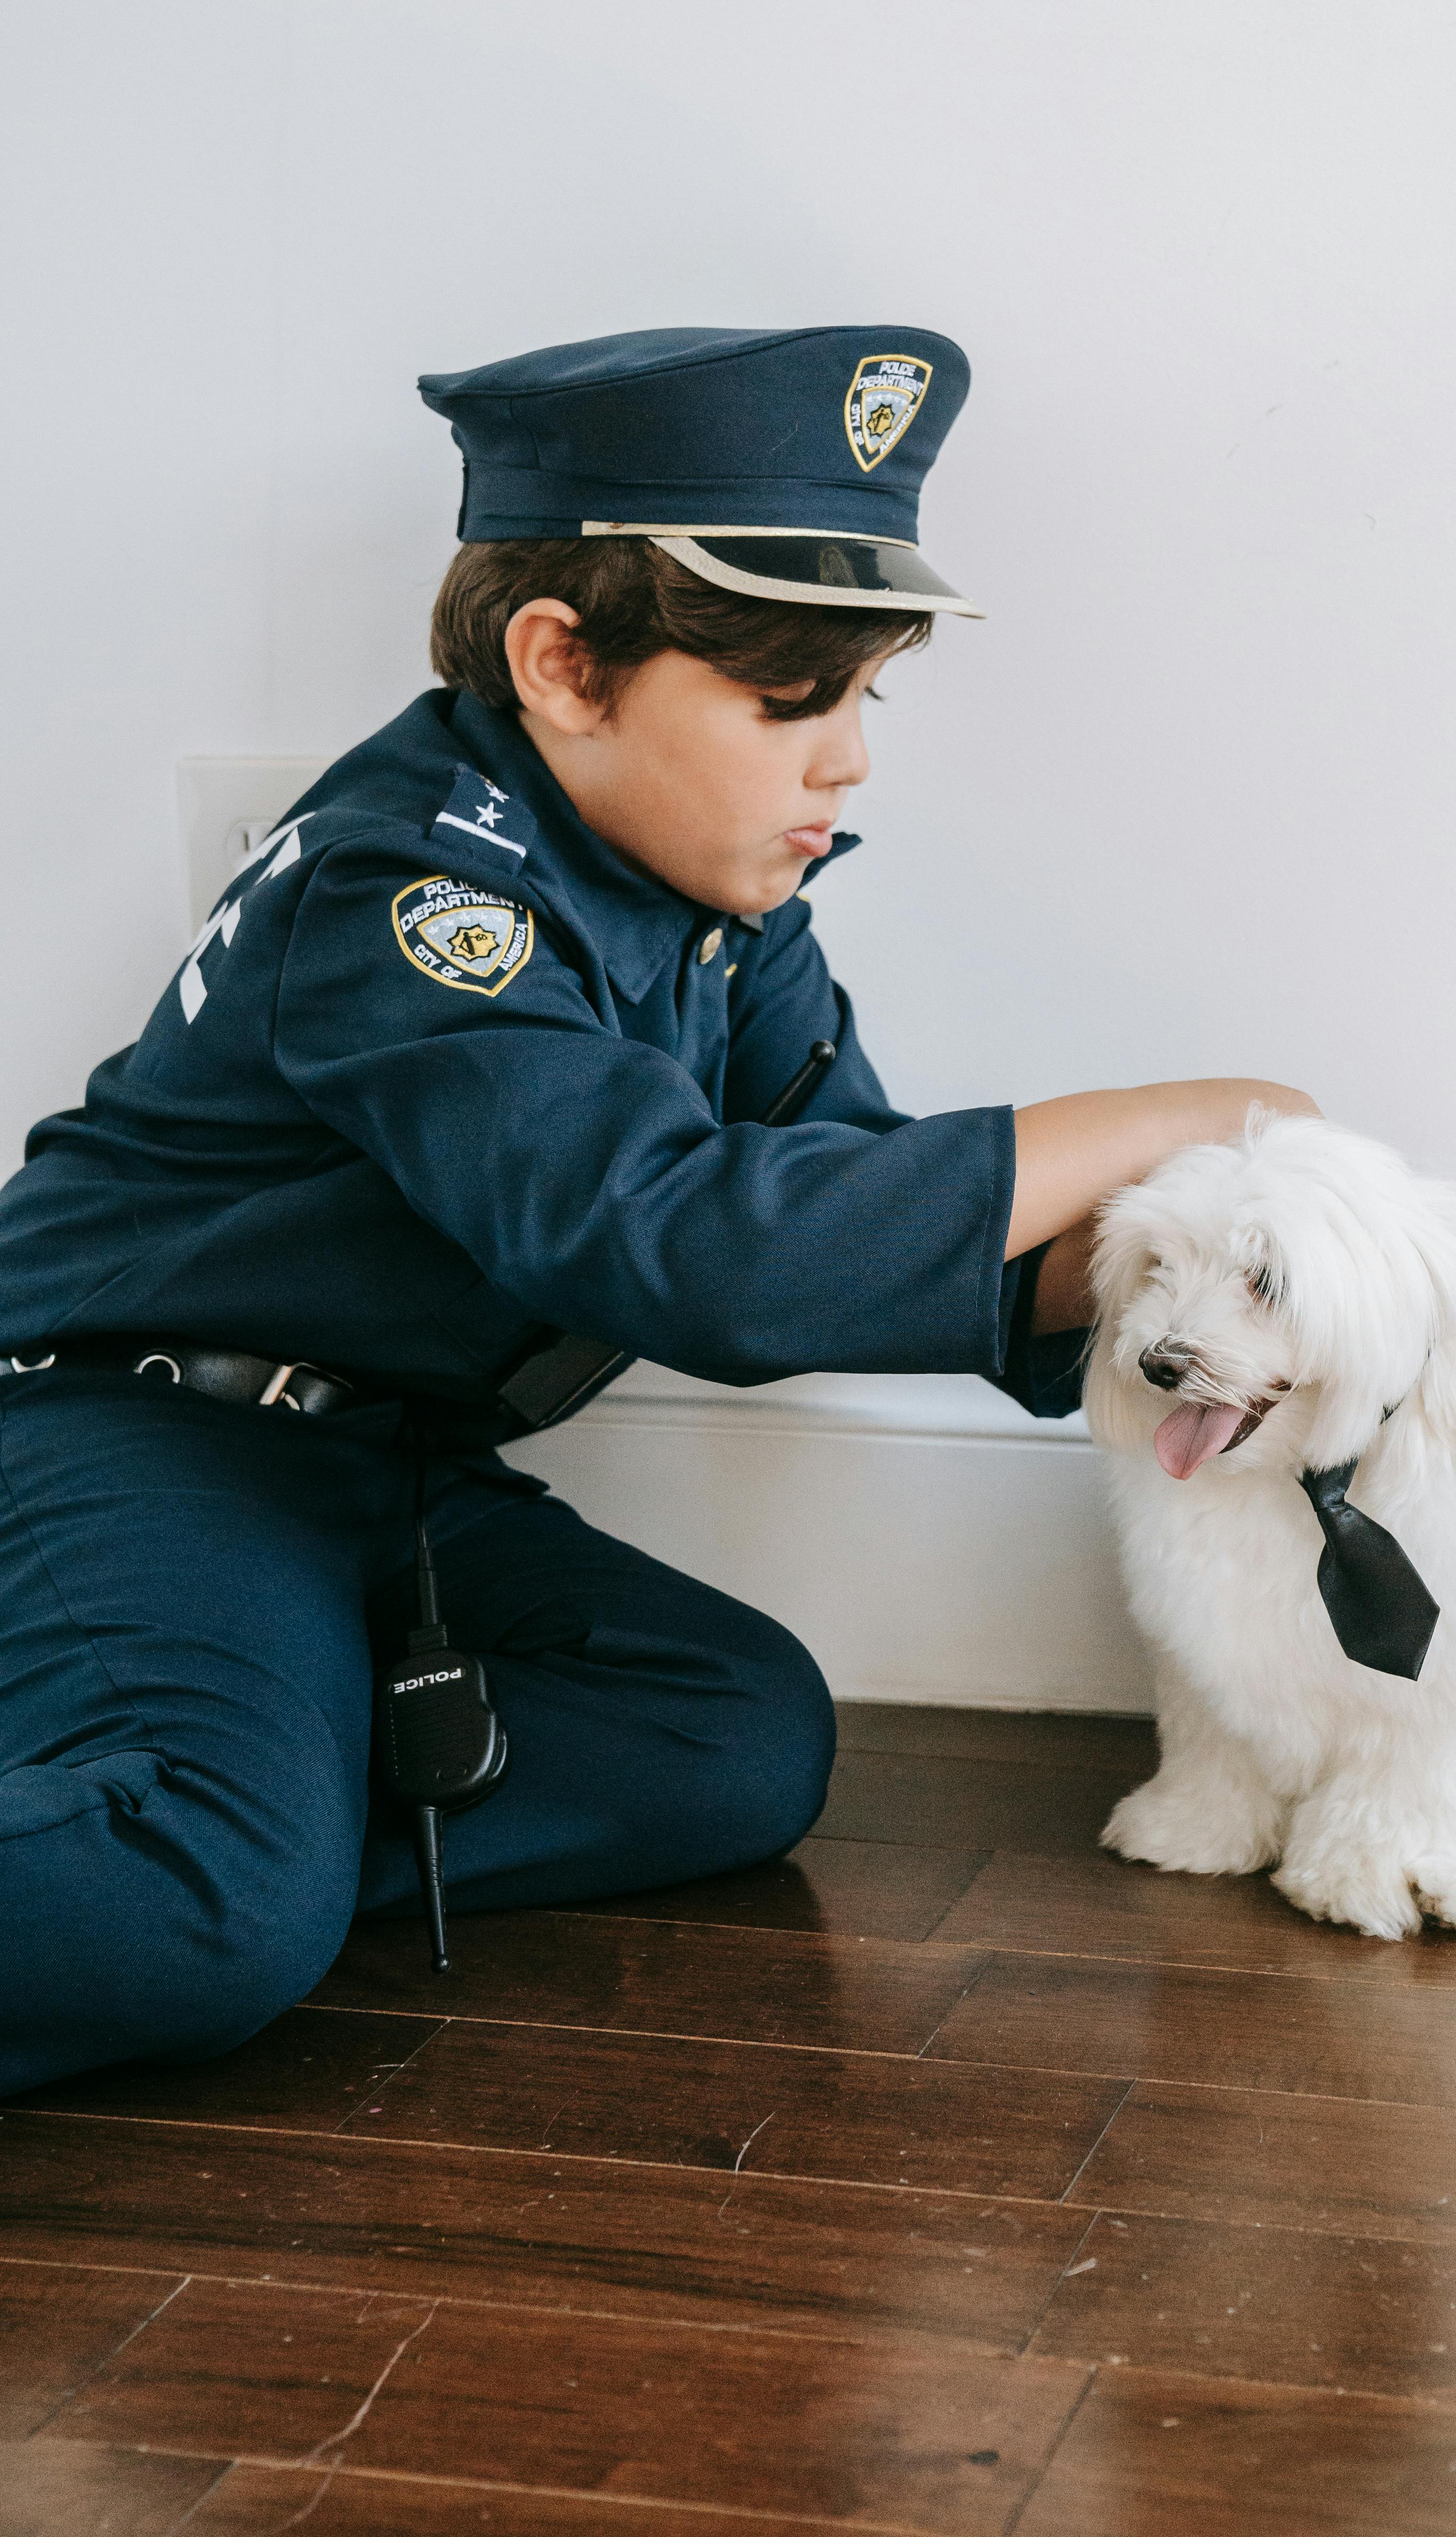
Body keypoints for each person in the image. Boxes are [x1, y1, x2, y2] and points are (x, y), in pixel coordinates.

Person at [0, 322, 1312, 2095]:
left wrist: (1221, 1278)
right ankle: (203, 1857)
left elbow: (852, 1213)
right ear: (561, 663)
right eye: (792, 703)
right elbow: (703, 1253)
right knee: (208, 1899)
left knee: (731, 1738)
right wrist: (1187, 1108)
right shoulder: (412, 898)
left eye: (865, 700)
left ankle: (202, 1815)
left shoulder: (724, 914)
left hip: (368, 1479)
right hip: (117, 1442)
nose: (846, 762)